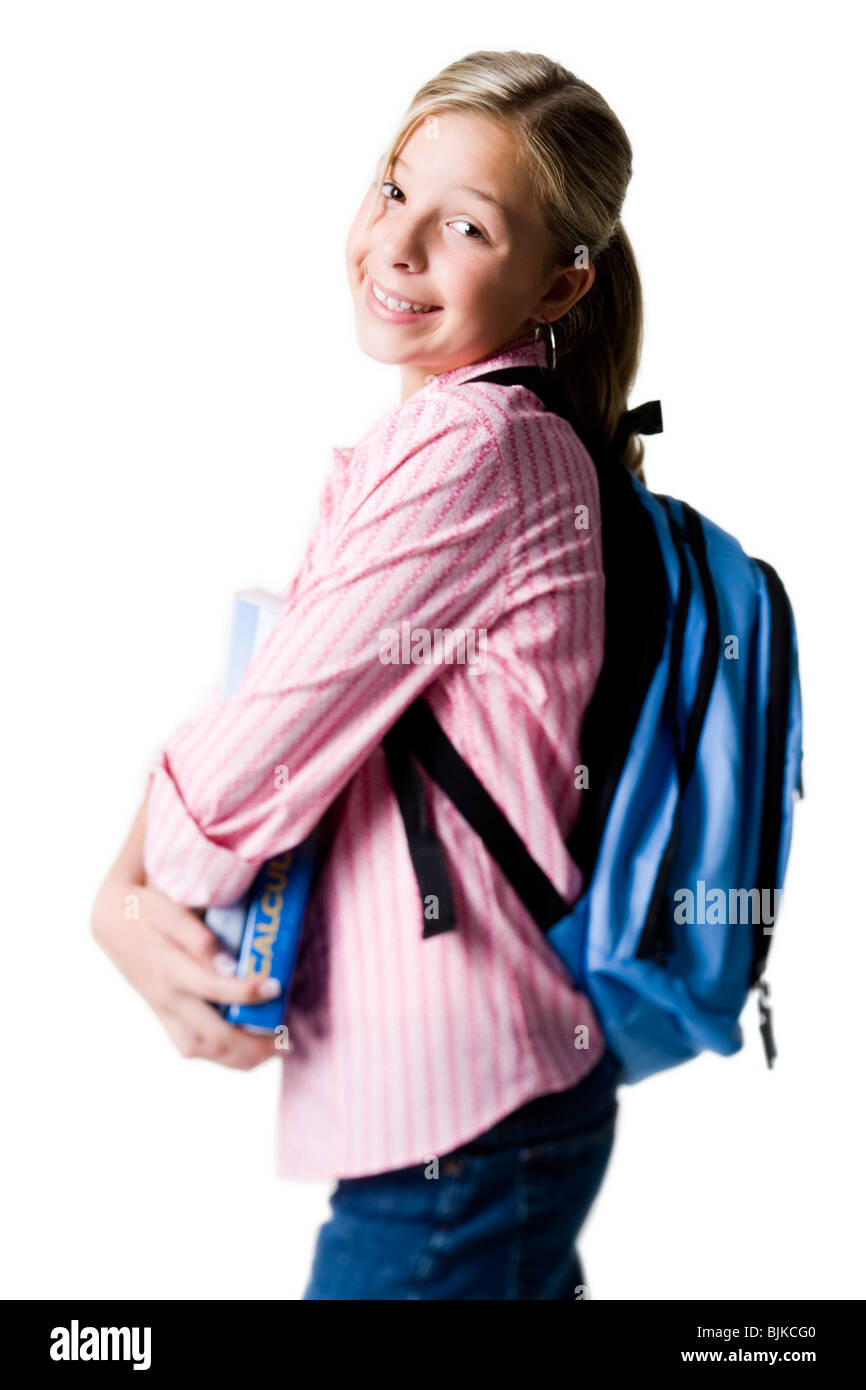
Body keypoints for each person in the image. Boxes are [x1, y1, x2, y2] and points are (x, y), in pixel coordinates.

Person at [93, 49, 649, 1299]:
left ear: (558, 280)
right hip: (486, 1116)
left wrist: (131, 887)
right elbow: (292, 699)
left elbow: (252, 763)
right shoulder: (468, 438)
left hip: (458, 1130)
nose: (395, 245)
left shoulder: (472, 447)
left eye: (462, 225)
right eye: (393, 188)